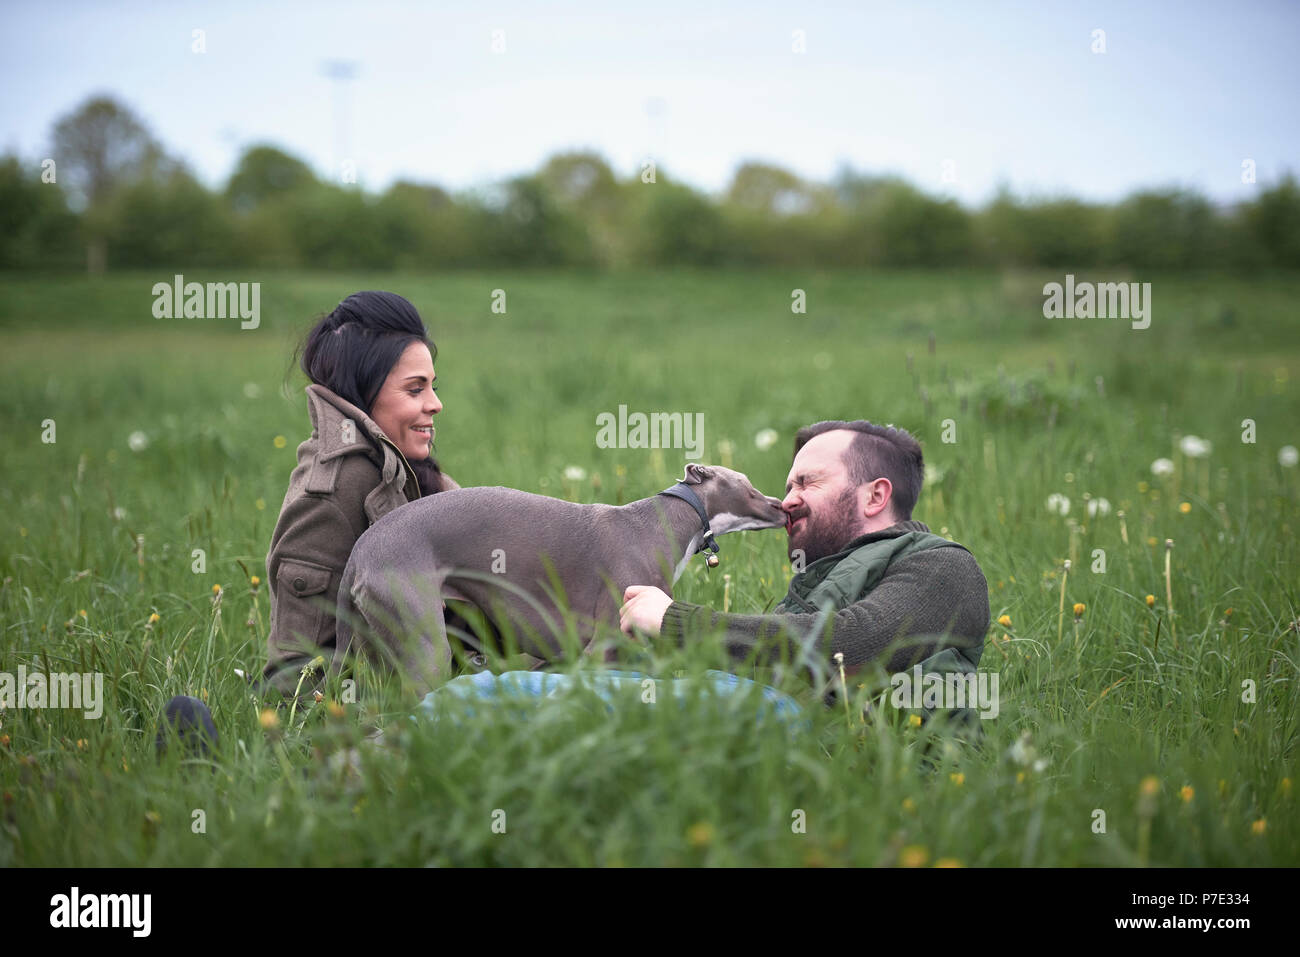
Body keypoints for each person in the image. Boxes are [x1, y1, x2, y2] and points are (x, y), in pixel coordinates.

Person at [619, 420, 990, 723]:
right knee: (580, 689)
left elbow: (854, 643)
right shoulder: (815, 584)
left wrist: (677, 623)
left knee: (582, 702)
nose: (787, 500)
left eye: (807, 482)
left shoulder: (943, 565)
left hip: (846, 762)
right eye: (788, 486)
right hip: (766, 732)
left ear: (875, 496)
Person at [260, 290, 459, 697]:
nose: (436, 404)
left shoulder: (403, 470)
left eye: (432, 387)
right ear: (365, 394)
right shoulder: (332, 493)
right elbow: (295, 671)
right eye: (415, 390)